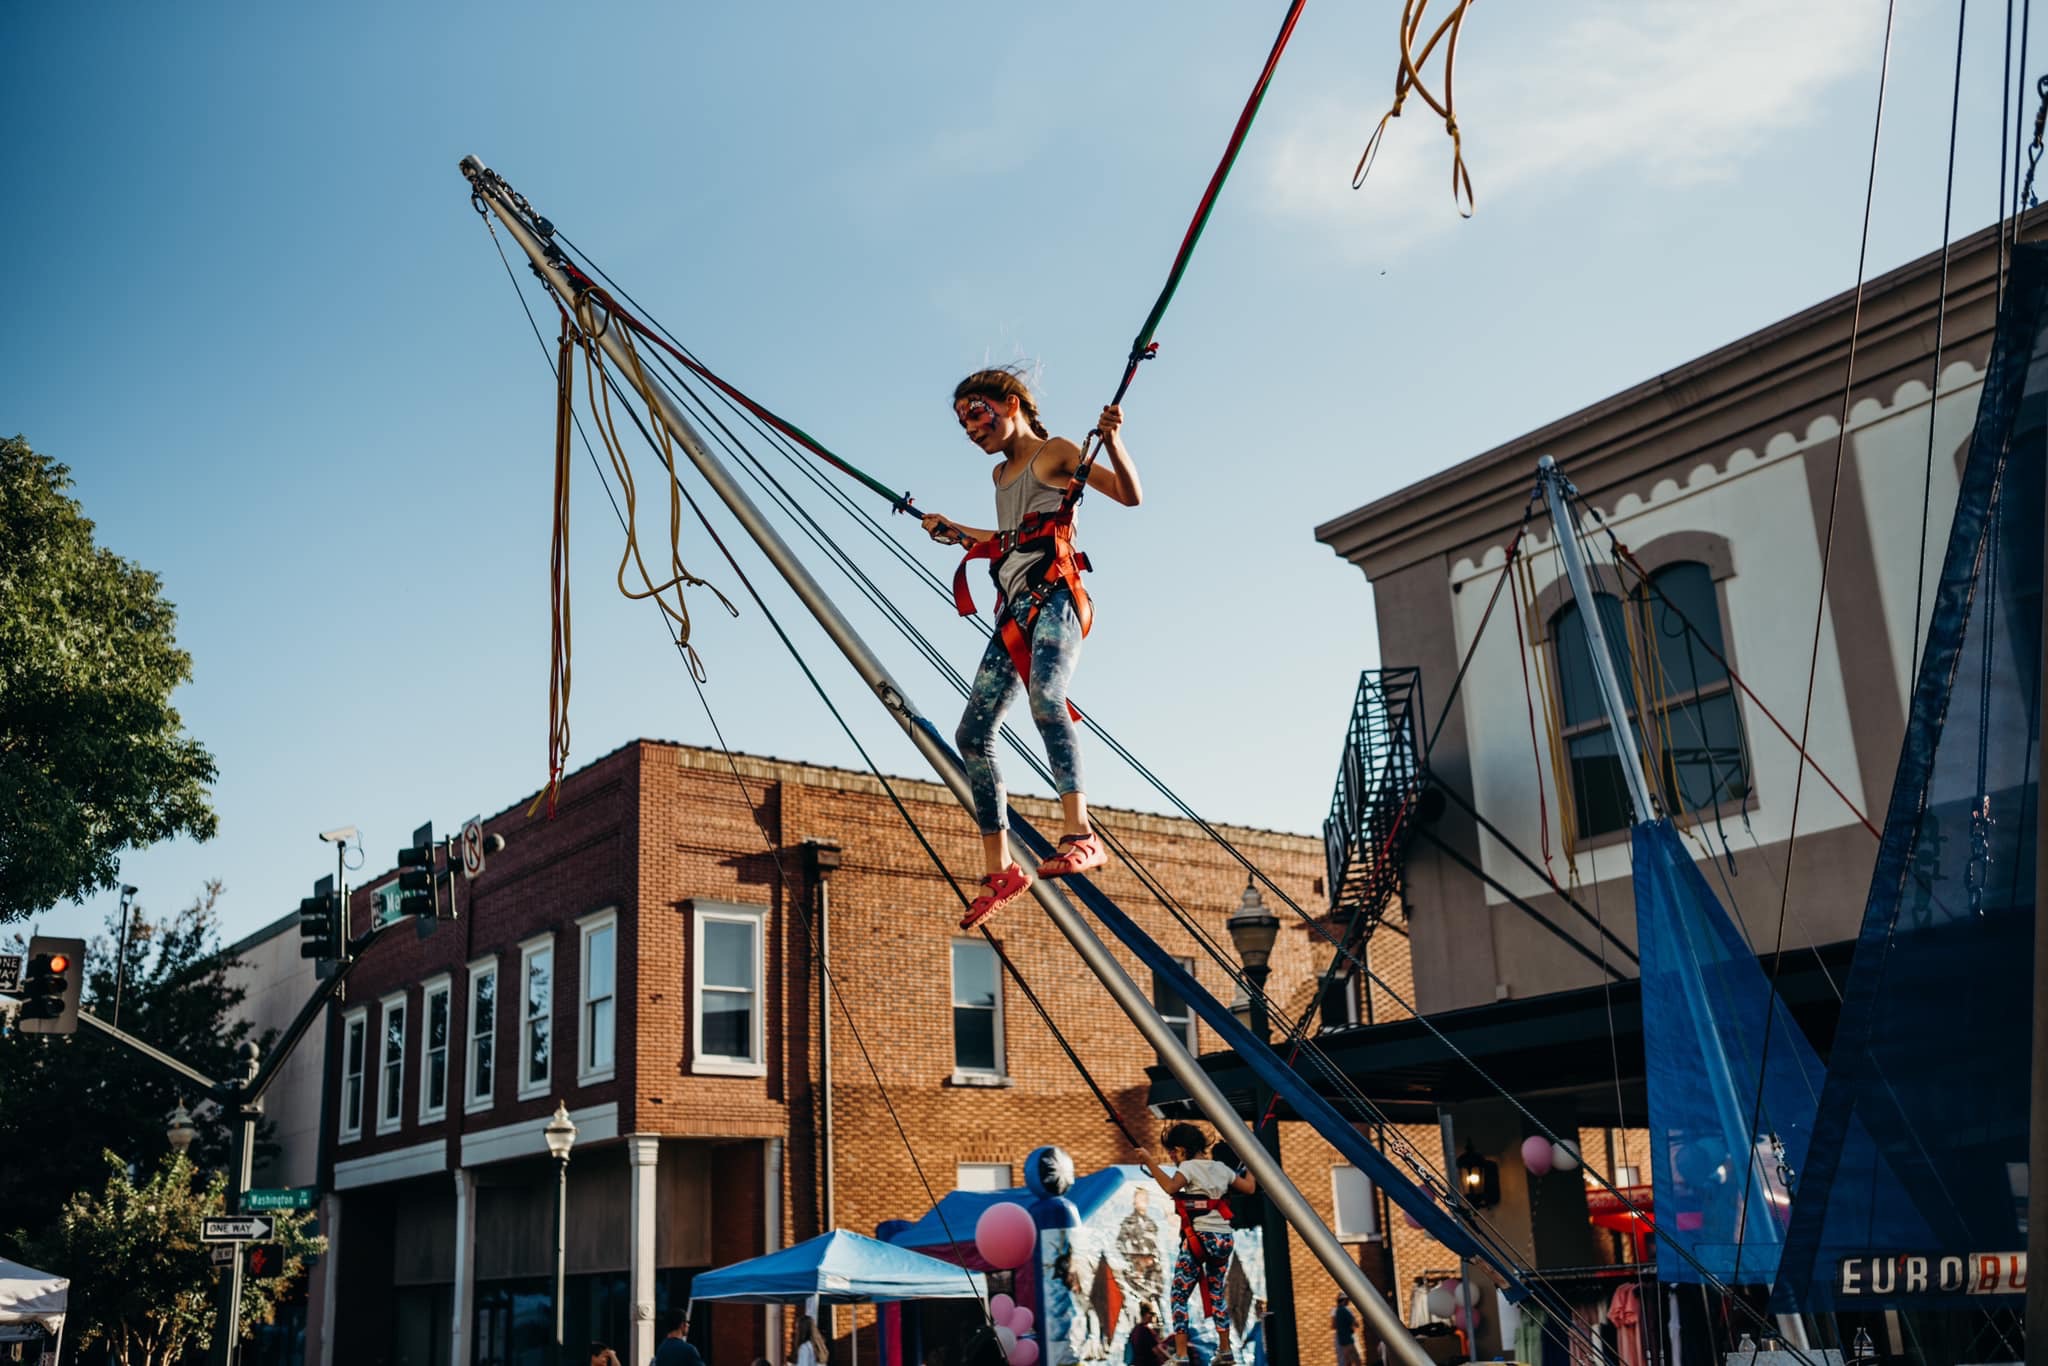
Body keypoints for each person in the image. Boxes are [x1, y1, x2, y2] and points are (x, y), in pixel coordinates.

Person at [921, 365, 1143, 930]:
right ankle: (1001, 870)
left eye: (978, 414)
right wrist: (957, 531)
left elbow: (1128, 496)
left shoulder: (1058, 452)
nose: (973, 429)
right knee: (972, 734)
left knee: (1047, 696)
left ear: (1012, 404)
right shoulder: (1000, 476)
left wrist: (1114, 442)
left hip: (1057, 598)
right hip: (1016, 612)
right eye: (964, 424)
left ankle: (1081, 833)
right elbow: (1010, 540)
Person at [1137, 1123, 1254, 1365]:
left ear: (1182, 1149)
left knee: (1179, 1296)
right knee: (1216, 1293)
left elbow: (1170, 1187)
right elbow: (1249, 1188)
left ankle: (1181, 1355)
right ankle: (1225, 1350)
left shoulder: (1188, 1167)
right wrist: (1254, 1162)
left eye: (1172, 1152)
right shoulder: (1222, 1169)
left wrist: (1149, 1162)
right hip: (1223, 1240)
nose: (1172, 1157)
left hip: (1198, 1239)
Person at [1332, 1294, 1360, 1366]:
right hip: (1348, 1339)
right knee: (1356, 1360)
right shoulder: (1345, 1310)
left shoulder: (1336, 1310)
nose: (1349, 1302)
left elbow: (1333, 1326)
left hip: (1341, 1339)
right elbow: (1356, 1324)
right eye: (1348, 1300)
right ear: (1344, 1300)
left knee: (1347, 1361)